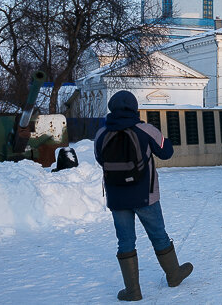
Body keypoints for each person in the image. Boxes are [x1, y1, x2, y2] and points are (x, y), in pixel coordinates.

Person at [94, 90, 193, 301]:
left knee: (125, 241)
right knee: (158, 234)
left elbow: (100, 159)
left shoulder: (101, 133)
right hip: (145, 195)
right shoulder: (145, 129)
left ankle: (132, 290)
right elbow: (166, 152)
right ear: (134, 108)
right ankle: (174, 275)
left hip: (117, 197)